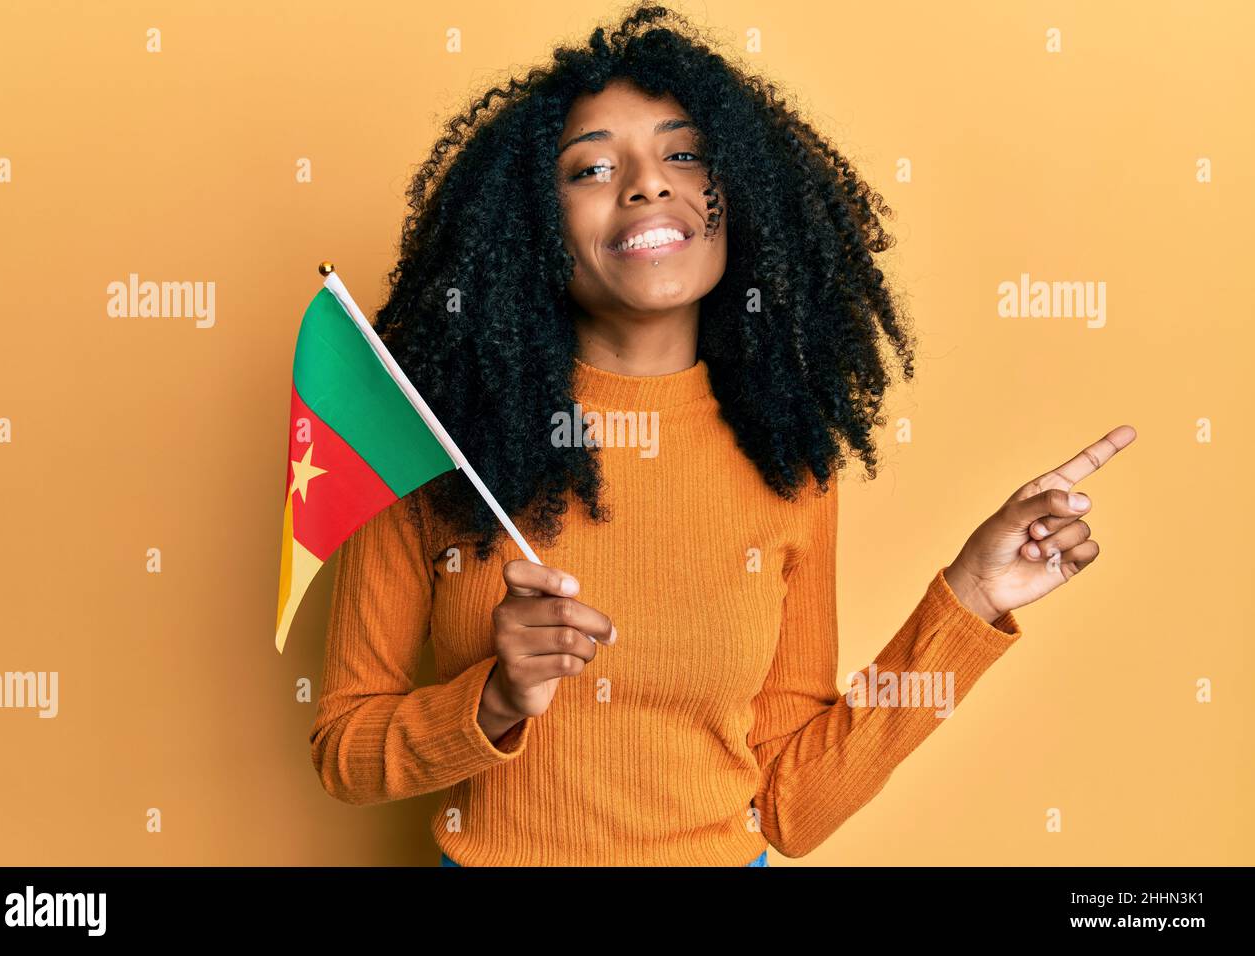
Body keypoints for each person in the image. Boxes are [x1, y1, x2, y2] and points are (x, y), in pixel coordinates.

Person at [308, 3, 1136, 867]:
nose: (646, 183)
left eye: (683, 153)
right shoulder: (430, 444)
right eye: (590, 168)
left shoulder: (788, 462)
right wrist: (492, 699)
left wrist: (971, 596)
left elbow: (789, 805)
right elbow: (342, 750)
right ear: (529, 229)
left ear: (734, 195)